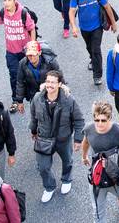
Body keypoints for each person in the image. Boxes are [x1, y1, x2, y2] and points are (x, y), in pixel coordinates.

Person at [31, 70, 85, 204]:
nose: (49, 85)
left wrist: (78, 139)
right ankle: (49, 187)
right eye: (47, 81)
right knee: (42, 167)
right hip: (43, 138)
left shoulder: (68, 99)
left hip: (63, 139)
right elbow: (33, 116)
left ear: (60, 84)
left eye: (53, 82)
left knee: (67, 161)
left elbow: (79, 120)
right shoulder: (37, 98)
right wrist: (33, 131)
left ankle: (66, 179)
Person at [82, 101, 119, 223]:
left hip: (115, 172)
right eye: (96, 120)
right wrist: (84, 156)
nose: (99, 124)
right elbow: (86, 141)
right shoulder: (89, 128)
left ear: (110, 118)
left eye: (103, 120)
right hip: (97, 172)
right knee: (97, 210)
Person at [68, 0, 118, 85]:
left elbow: (107, 8)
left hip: (97, 27)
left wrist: (113, 23)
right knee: (89, 47)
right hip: (84, 28)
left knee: (96, 49)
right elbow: (71, 11)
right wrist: (74, 27)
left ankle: (97, 75)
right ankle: (92, 58)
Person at [14, 40, 62, 113]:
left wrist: (62, 94)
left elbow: (60, 77)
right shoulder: (23, 63)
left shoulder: (50, 62)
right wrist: (19, 101)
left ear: (39, 53)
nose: (31, 57)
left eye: (33, 54)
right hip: (34, 94)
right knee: (37, 115)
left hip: (50, 92)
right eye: (29, 55)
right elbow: (20, 82)